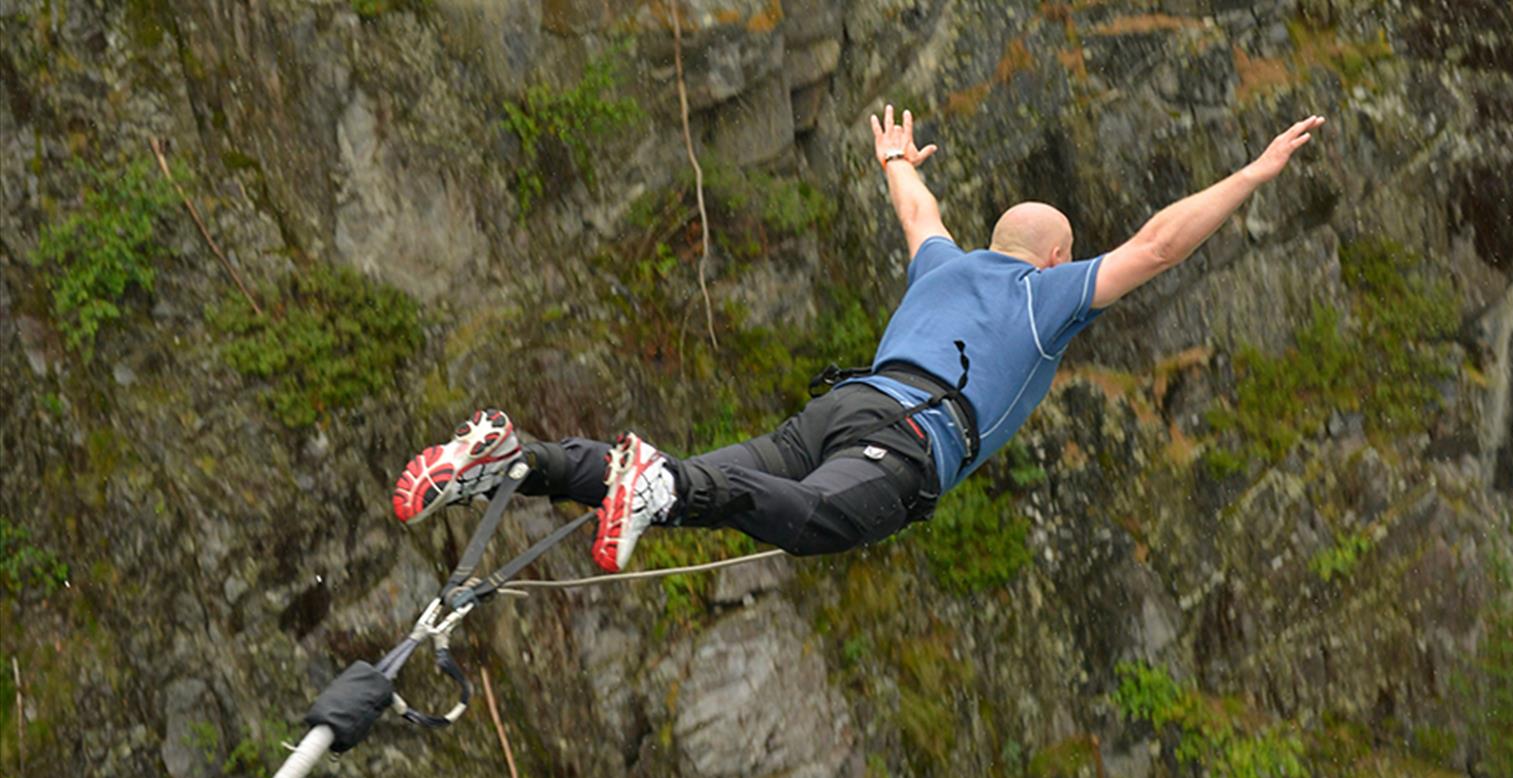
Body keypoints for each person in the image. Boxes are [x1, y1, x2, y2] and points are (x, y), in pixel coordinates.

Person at [392, 107, 1327, 572]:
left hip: (842, 408)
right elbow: (1159, 245)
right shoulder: (1046, 300)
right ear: (1054, 257)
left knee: (696, 489)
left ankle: (510, 457)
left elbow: (918, 209)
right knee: (809, 523)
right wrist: (1254, 168)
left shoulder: (943, 263)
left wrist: (891, 162)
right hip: (909, 436)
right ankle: (650, 477)